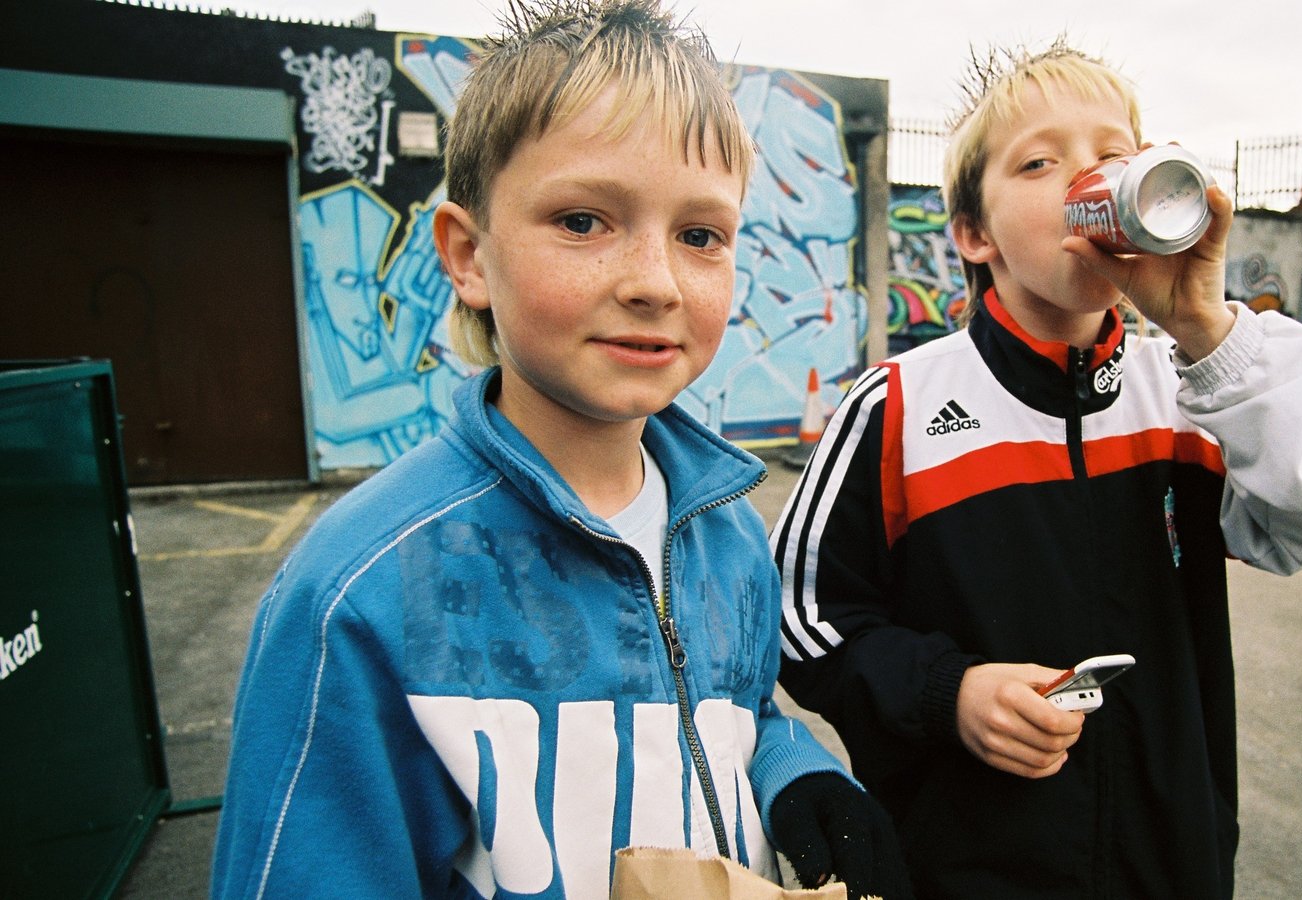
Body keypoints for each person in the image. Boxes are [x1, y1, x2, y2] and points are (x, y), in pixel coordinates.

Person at [210, 2, 910, 898]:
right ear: (468, 256)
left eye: (700, 235)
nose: (655, 282)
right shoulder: (357, 596)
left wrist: (795, 772)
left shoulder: (725, 531)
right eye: (584, 221)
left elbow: (726, 719)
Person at [773, 39, 1302, 900]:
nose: (1086, 184)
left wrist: (1208, 332)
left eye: (1113, 158)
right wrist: (946, 692)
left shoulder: (1193, 392)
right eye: (1039, 162)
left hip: (1172, 863)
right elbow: (799, 616)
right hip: (962, 870)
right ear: (974, 232)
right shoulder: (899, 408)